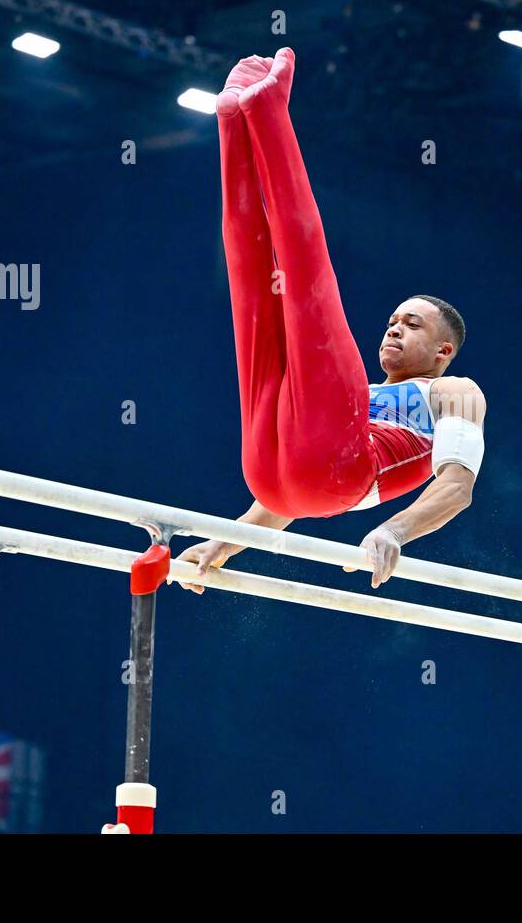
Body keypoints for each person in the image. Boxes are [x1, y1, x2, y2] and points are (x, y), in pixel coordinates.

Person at [178, 48, 486, 589]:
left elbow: (458, 485)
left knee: (304, 280)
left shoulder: (453, 392)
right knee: (255, 284)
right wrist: (221, 545)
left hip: (336, 475)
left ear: (444, 352)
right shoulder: (349, 394)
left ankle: (268, 113)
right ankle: (234, 118)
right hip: (274, 476)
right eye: (394, 319)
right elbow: (283, 503)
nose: (393, 327)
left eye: (413, 325)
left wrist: (394, 531)